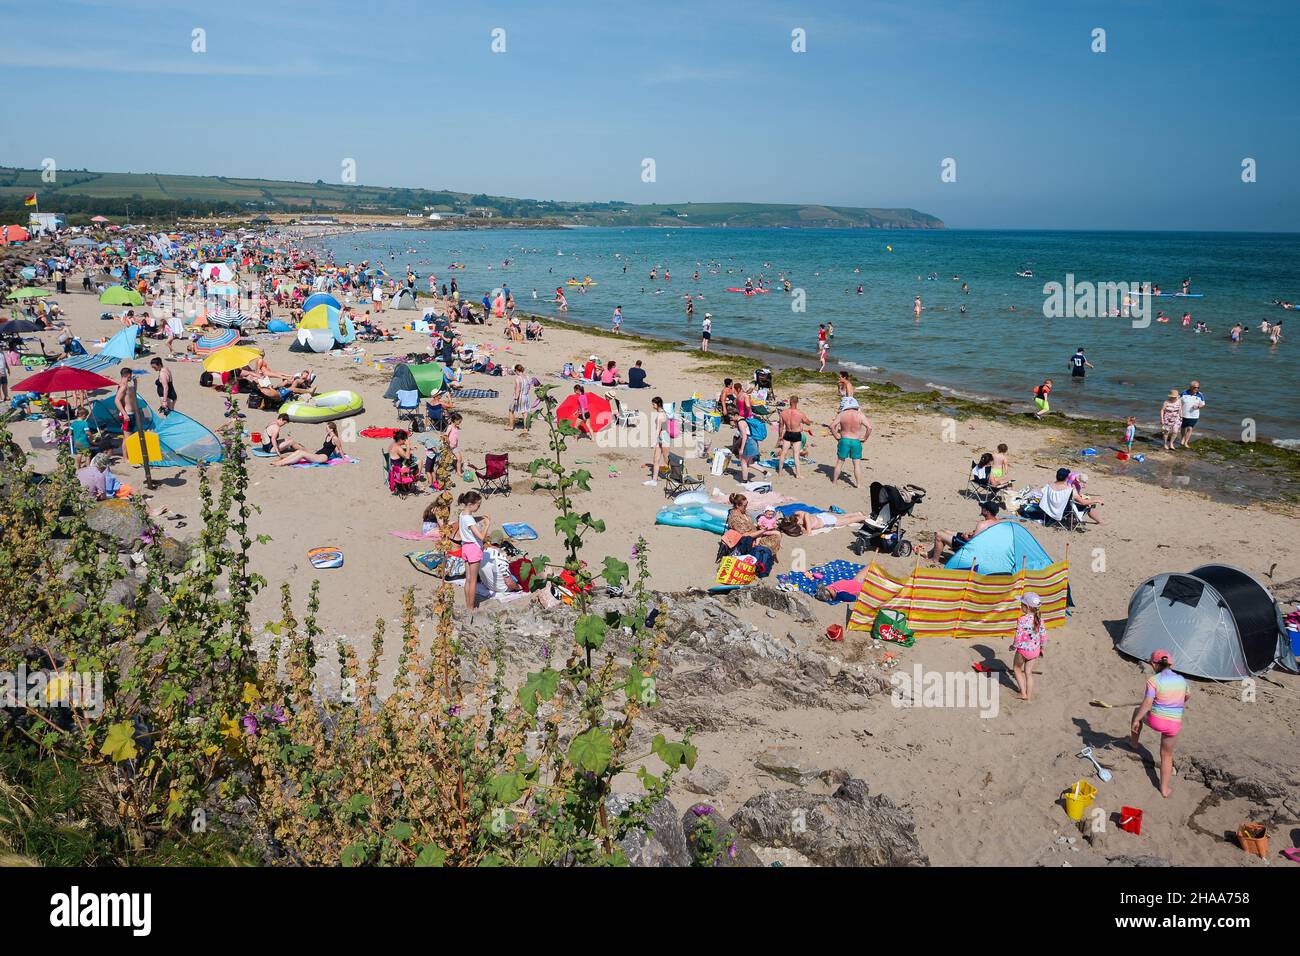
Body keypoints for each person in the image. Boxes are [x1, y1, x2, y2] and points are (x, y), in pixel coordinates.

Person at [1129, 649, 1187, 798]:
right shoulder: (1181, 680)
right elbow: (1187, 696)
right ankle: (1164, 789)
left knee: (1137, 712)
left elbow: (1147, 703)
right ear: (1170, 664)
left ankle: (1134, 743)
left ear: (1153, 664)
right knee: (1167, 755)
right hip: (1174, 724)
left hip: (1157, 721)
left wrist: (1137, 719)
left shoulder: (1153, 681)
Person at [929, 500, 1000, 561]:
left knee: (939, 535)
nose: (981, 509)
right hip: (983, 549)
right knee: (945, 531)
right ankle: (929, 554)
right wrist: (972, 533)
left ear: (987, 511)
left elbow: (972, 542)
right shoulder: (998, 523)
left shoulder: (982, 524)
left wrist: (966, 537)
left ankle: (934, 560)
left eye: (982, 508)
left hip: (970, 548)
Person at [1009, 592, 1046, 702]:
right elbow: (1043, 636)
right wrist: (1042, 648)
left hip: (1023, 650)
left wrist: (1013, 646)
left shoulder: (1022, 620)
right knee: (1028, 673)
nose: (1020, 605)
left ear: (1027, 607)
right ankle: (1029, 695)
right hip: (1035, 650)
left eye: (1022, 604)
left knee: (1016, 668)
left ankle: (1023, 693)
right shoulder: (1040, 620)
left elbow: (1018, 636)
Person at [457, 491, 489, 610]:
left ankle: (467, 603)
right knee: (473, 581)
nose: (478, 507)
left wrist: (480, 518)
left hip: (465, 547)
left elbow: (470, 520)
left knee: (468, 579)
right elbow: (481, 537)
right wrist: (487, 525)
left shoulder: (462, 514)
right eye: (478, 505)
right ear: (471, 504)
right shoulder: (469, 519)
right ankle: (470, 606)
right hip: (473, 549)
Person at [830, 399, 872, 488]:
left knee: (840, 462)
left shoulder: (842, 414)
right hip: (855, 440)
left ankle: (834, 482)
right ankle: (858, 484)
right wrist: (865, 438)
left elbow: (832, 426)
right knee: (856, 464)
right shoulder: (860, 415)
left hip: (844, 439)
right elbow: (869, 428)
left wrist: (836, 436)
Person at [274, 421, 342, 467]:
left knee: (302, 454)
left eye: (327, 428)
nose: (326, 429)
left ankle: (281, 463)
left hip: (322, 457)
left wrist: (343, 458)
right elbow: (332, 448)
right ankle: (282, 460)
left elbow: (340, 449)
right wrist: (335, 454)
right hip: (318, 454)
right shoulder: (328, 436)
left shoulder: (335, 438)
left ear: (331, 429)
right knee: (299, 451)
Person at [776, 396, 812, 478]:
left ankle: (780, 472)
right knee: (796, 454)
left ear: (789, 402)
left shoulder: (783, 413)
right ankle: (798, 474)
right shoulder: (800, 413)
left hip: (787, 433)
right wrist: (808, 421)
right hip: (796, 434)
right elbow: (808, 422)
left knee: (783, 453)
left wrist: (780, 436)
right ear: (797, 402)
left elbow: (781, 426)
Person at [778, 508, 869, 536]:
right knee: (843, 516)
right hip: (822, 516)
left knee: (847, 520)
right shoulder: (799, 514)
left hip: (825, 520)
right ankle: (857, 513)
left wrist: (805, 529)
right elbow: (805, 513)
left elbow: (808, 532)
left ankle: (865, 517)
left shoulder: (804, 521)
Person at [645, 396, 670, 487]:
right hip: (662, 437)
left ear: (658, 404)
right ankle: (654, 480)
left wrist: (653, 442)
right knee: (656, 459)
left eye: (654, 404)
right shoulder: (663, 412)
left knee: (667, 459)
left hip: (664, 437)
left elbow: (658, 430)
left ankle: (676, 476)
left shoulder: (660, 415)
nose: (652, 406)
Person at [1178, 381, 1206, 448]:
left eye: (1198, 387)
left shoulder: (1200, 394)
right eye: (1195, 387)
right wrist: (1179, 411)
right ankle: (1182, 438)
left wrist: (1198, 406)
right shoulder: (1184, 393)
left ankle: (1186, 442)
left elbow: (1203, 404)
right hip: (1184, 414)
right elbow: (1178, 401)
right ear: (1190, 387)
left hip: (1194, 415)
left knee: (1190, 428)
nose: (1197, 389)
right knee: (1183, 427)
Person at [508, 364, 530, 431]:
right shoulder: (527, 377)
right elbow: (529, 388)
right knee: (525, 412)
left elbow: (517, 389)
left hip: (520, 397)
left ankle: (511, 426)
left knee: (511, 410)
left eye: (515, 371)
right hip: (526, 396)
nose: (515, 372)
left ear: (517, 370)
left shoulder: (518, 378)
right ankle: (525, 428)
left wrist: (515, 399)